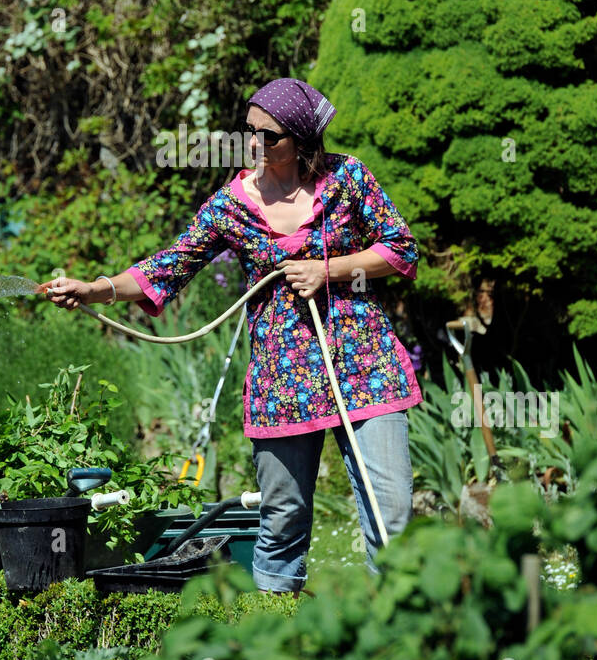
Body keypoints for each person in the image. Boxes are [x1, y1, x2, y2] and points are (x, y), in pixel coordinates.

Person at [42, 77, 422, 595]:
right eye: (249, 131)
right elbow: (167, 267)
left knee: (391, 510)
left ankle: (401, 645)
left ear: (303, 140)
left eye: (270, 136)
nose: (255, 145)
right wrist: (95, 289)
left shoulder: (347, 179)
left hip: (364, 365)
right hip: (283, 381)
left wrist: (328, 270)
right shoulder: (231, 205)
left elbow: (401, 248)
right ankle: (275, 638)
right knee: (284, 518)